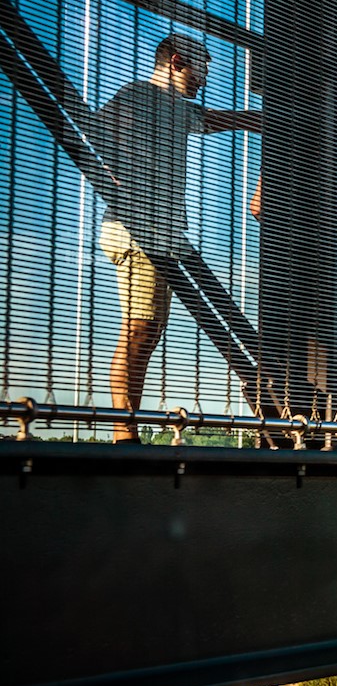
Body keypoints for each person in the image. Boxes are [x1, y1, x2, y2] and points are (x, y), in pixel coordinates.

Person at [95, 34, 263, 442]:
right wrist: (119, 178)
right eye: (202, 68)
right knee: (140, 329)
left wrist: (259, 119)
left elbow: (214, 119)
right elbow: (95, 133)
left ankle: (126, 428)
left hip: (161, 231)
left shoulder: (175, 109)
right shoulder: (138, 96)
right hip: (138, 231)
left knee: (147, 332)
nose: (206, 79)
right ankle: (123, 433)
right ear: (176, 61)